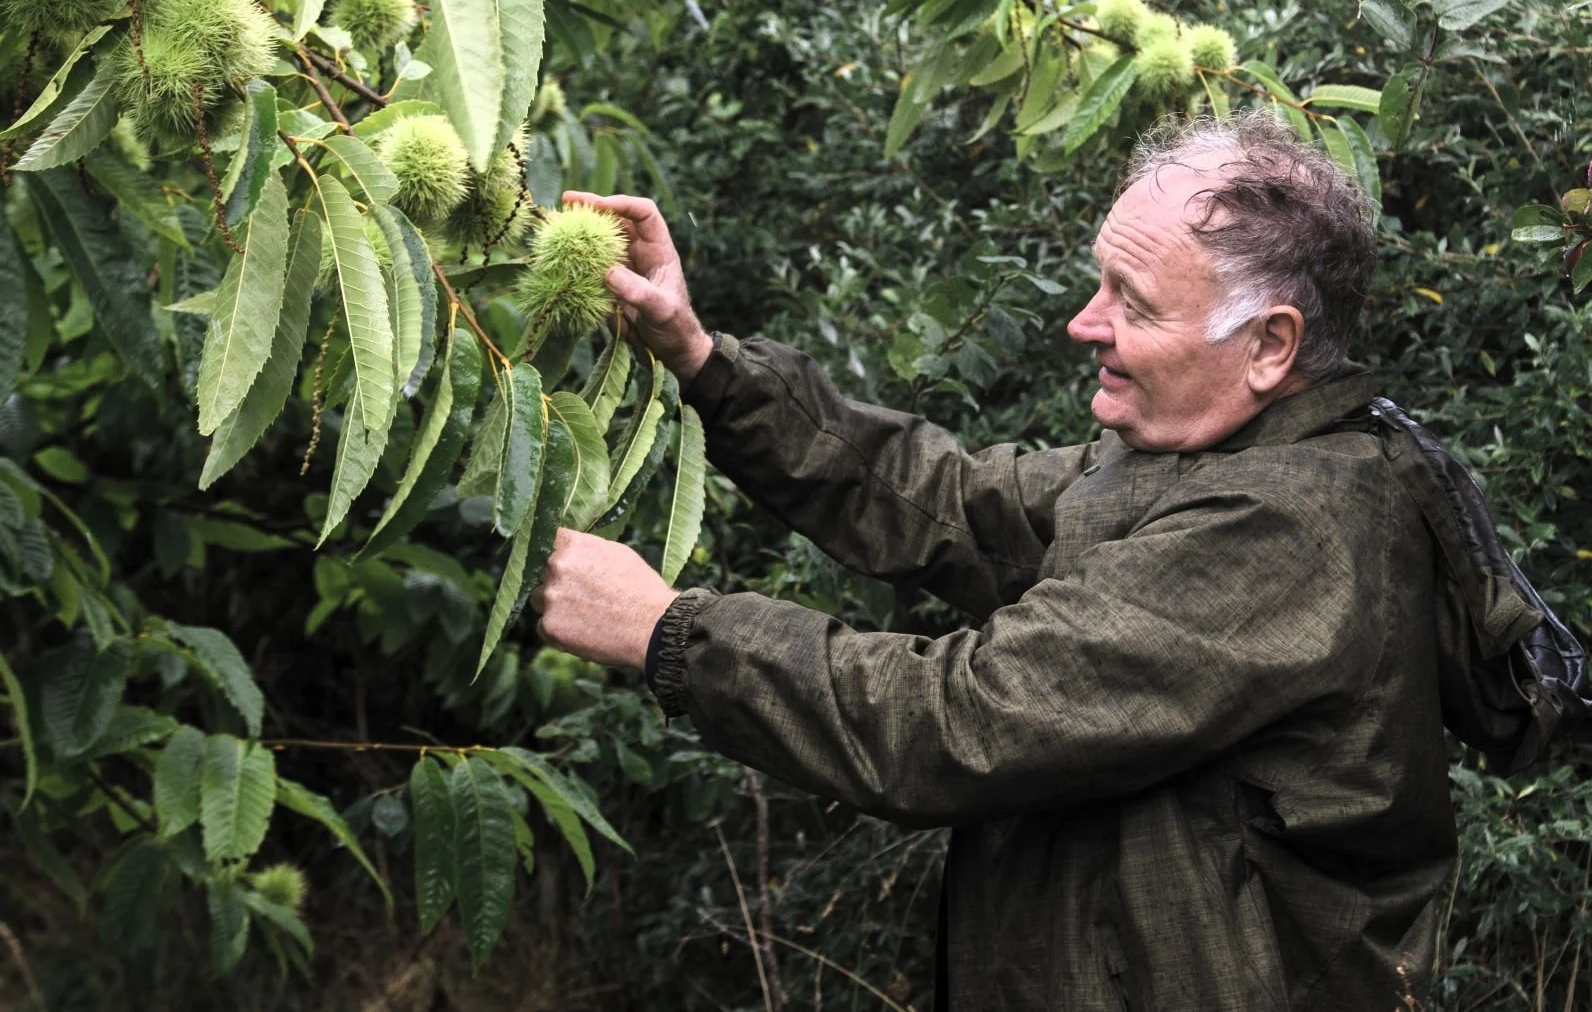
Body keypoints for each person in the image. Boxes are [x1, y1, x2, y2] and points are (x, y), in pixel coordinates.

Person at [531, 112, 1458, 1011]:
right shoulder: (1200, 461)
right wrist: (701, 358)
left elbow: (963, 719)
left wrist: (670, 632)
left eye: (1132, 302)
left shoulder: (1288, 529)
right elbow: (950, 503)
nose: (1084, 324)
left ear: (1269, 344)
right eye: (1100, 284)